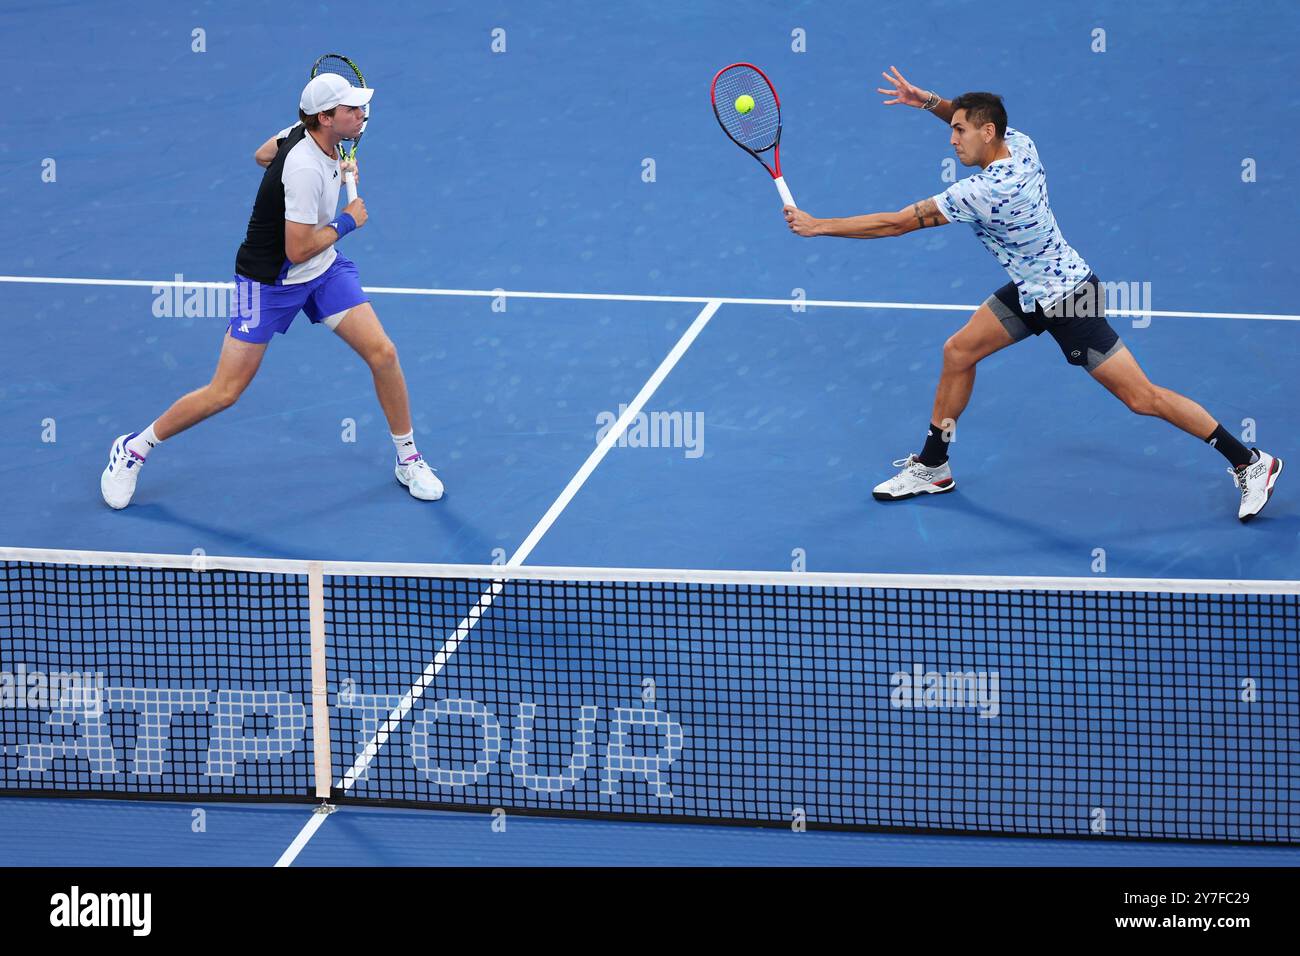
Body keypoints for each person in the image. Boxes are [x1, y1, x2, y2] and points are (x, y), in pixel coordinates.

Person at [782, 66, 1282, 522]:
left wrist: (818, 226)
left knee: (1141, 397)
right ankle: (934, 465)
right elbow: (969, 124)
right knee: (958, 352)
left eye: (959, 130)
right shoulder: (1021, 143)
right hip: (1032, 289)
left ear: (987, 133)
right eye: (951, 127)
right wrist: (928, 101)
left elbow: (895, 224)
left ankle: (1250, 461)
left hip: (1069, 301)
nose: (951, 139)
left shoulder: (982, 191)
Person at [101, 73, 443, 509]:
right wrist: (347, 220)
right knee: (224, 392)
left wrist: (331, 168)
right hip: (264, 285)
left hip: (322, 273)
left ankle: (408, 459)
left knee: (384, 354)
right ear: (325, 117)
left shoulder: (302, 135)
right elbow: (297, 249)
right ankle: (133, 448)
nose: (362, 116)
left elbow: (262, 154)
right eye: (352, 110)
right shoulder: (302, 167)